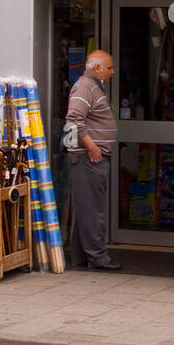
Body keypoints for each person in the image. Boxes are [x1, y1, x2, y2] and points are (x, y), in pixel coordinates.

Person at [64, 50, 122, 271]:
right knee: (93, 209)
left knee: (87, 207)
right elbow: (73, 118)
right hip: (89, 156)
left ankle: (83, 255)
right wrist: (92, 147)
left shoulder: (92, 86)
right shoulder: (86, 86)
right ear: (97, 68)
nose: (112, 72)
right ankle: (98, 257)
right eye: (109, 68)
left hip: (90, 155)